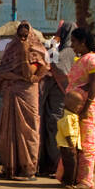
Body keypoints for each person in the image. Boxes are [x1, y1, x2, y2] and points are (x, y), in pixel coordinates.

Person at [0, 20, 49, 180]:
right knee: (8, 130)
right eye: (20, 36)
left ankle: (28, 169)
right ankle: (10, 167)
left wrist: (24, 51)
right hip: (11, 95)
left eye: (25, 36)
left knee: (28, 131)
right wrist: (16, 76)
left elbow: (29, 74)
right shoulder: (11, 49)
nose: (22, 40)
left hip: (27, 95)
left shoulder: (35, 51)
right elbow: (2, 73)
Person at [56, 28, 95, 189]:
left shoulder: (93, 60)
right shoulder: (83, 59)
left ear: (83, 42)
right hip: (76, 107)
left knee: (87, 143)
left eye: (75, 42)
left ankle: (86, 179)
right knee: (72, 141)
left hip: (86, 108)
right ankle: (71, 177)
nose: (73, 46)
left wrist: (86, 107)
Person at [38, 21, 74, 177]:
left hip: (61, 96)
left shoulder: (69, 51)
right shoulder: (62, 50)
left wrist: (53, 42)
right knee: (49, 126)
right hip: (54, 95)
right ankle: (47, 164)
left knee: (55, 127)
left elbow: (57, 65)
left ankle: (55, 165)